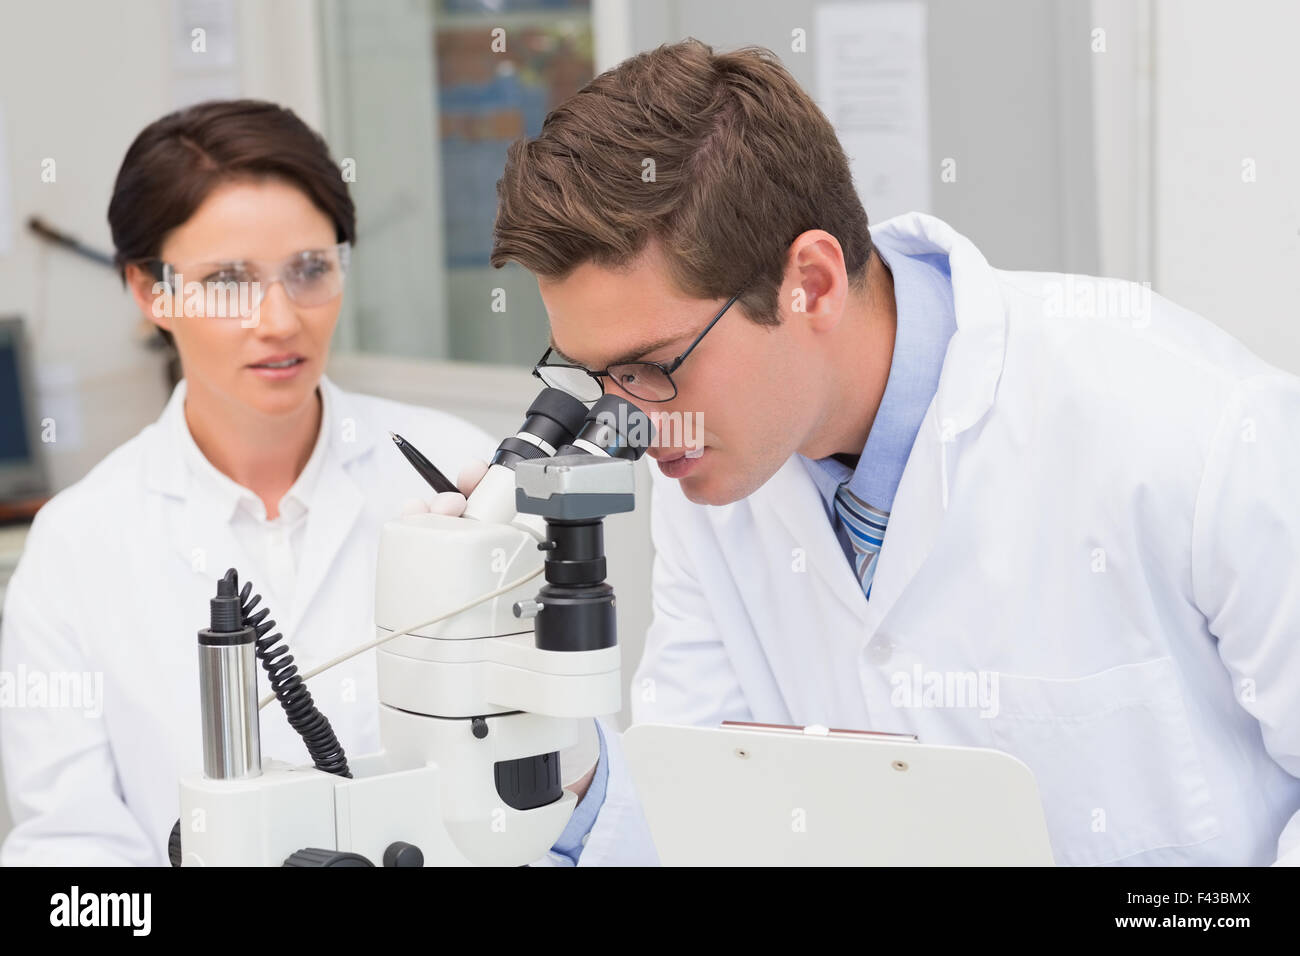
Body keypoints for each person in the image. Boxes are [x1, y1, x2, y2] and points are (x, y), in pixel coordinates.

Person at [477, 40, 1300, 865]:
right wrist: (559, 758)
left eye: (652, 366)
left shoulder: (1199, 431)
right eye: (594, 377)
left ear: (814, 284)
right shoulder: (715, 474)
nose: (630, 422)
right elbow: (702, 810)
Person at [0, 100, 603, 866]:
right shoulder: (77, 545)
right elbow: (69, 850)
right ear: (152, 293)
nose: (281, 319)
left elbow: (552, 773)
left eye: (311, 269)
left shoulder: (463, 474)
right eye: (229, 281)